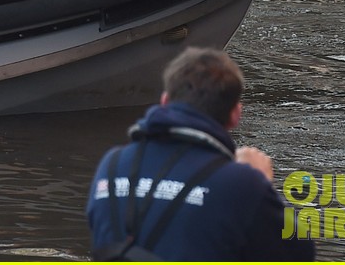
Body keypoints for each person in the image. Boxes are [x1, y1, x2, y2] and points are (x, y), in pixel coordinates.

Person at [86, 47, 316, 260]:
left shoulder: (112, 165)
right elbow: (301, 255)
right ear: (235, 115)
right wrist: (263, 184)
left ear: (165, 101)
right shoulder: (242, 184)